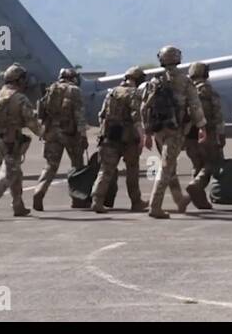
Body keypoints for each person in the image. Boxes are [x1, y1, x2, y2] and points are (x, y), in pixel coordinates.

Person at [142, 46, 207, 219]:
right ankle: (155, 206)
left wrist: (147, 133)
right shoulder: (185, 81)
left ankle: (179, 200)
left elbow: (144, 107)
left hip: (158, 130)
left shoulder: (154, 81)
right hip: (175, 130)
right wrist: (201, 127)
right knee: (166, 167)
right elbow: (195, 105)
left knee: (170, 166)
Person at [0, 64, 42, 221]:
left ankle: (18, 206)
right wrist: (43, 134)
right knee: (8, 173)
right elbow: (31, 121)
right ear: (19, 80)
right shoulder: (19, 98)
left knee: (16, 173)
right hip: (11, 141)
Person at [91, 67, 146, 213]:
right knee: (132, 170)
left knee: (105, 171)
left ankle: (97, 200)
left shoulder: (112, 93)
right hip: (128, 139)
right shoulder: (134, 93)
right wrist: (142, 137)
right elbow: (136, 118)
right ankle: (136, 202)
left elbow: (101, 115)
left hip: (109, 137)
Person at [33, 67, 88, 211]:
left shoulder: (51, 89)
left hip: (51, 133)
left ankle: (39, 191)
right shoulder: (74, 91)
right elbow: (79, 115)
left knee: (51, 166)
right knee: (77, 166)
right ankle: (78, 199)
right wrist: (83, 135)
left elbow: (41, 113)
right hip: (70, 134)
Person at [184, 62, 224, 209]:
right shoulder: (207, 89)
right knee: (213, 162)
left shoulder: (186, 90)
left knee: (197, 165)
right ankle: (196, 184)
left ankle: (198, 199)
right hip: (208, 132)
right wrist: (221, 133)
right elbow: (217, 113)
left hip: (189, 134)